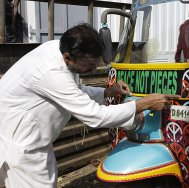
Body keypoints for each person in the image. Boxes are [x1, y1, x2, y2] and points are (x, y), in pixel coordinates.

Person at [0, 23, 178, 188]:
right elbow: (96, 116)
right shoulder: (51, 72)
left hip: (33, 137)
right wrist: (143, 104)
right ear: (68, 57)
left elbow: (75, 90)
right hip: (21, 145)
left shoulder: (58, 49)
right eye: (89, 65)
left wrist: (106, 92)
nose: (94, 70)